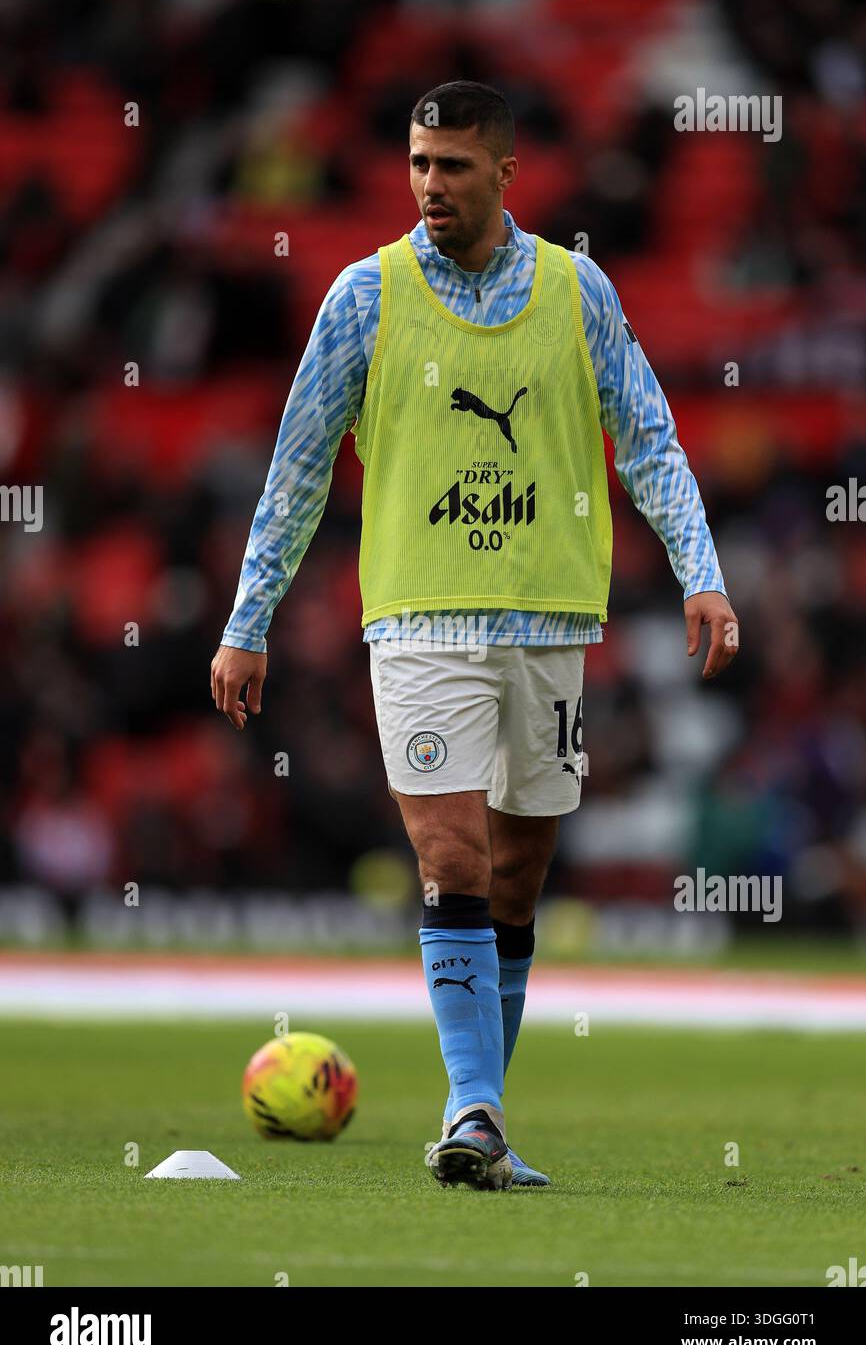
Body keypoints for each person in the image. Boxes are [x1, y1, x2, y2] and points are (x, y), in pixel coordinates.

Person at [210, 79, 739, 1191]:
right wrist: (247, 618)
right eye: (416, 164)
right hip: (418, 619)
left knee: (515, 880)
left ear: (505, 171)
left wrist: (701, 571)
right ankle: (473, 1111)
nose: (429, 185)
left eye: (451, 166)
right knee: (449, 856)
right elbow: (297, 468)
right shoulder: (363, 298)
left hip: (549, 624)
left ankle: (480, 1119)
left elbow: (647, 435)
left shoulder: (574, 289)